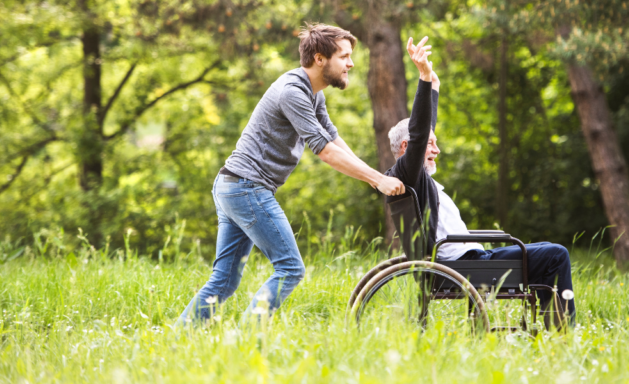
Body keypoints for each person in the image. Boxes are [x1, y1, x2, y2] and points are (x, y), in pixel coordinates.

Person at [177, 23, 406, 325]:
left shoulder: (314, 94)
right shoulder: (292, 92)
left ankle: (181, 334)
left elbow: (335, 140)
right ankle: (247, 340)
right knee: (290, 268)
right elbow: (324, 151)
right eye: (344, 56)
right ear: (320, 58)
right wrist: (378, 181)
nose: (351, 63)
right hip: (246, 187)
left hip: (232, 185)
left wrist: (377, 175)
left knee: (225, 280)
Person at [385, 36, 575, 324]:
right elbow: (421, 130)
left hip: (467, 263)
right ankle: (562, 332)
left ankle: (552, 326)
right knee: (555, 255)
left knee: (545, 252)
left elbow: (425, 127)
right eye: (430, 143)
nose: (437, 149)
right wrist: (423, 78)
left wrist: (433, 84)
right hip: (464, 268)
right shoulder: (408, 175)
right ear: (406, 148)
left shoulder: (416, 180)